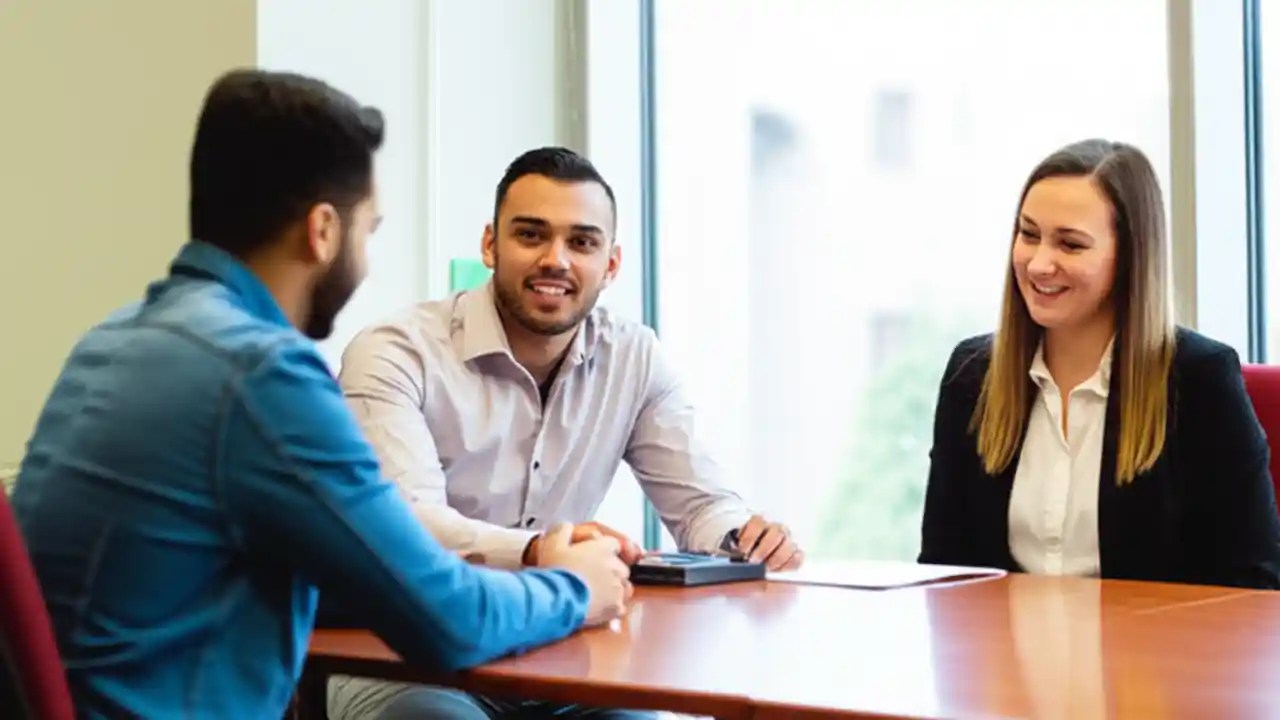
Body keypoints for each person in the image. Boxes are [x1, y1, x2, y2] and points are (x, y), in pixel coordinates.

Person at [11, 69, 630, 720]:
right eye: (370, 229)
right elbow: (449, 620)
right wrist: (575, 587)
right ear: (323, 232)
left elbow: (354, 570)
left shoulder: (112, 341)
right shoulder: (260, 374)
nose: (364, 258)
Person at [330, 146, 802, 719]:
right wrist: (542, 555)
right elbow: (404, 531)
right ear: (489, 244)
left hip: (560, 661)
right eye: (531, 235)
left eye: (581, 242)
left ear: (611, 263)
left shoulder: (635, 357)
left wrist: (742, 538)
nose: (556, 260)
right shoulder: (395, 353)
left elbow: (701, 506)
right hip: (412, 655)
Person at [918, 138, 1280, 589]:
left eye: (1070, 244)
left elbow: (1253, 583)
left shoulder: (1199, 378)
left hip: (1155, 656)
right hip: (1003, 656)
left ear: (1129, 257)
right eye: (1029, 235)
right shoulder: (972, 375)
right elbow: (943, 571)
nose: (1039, 264)